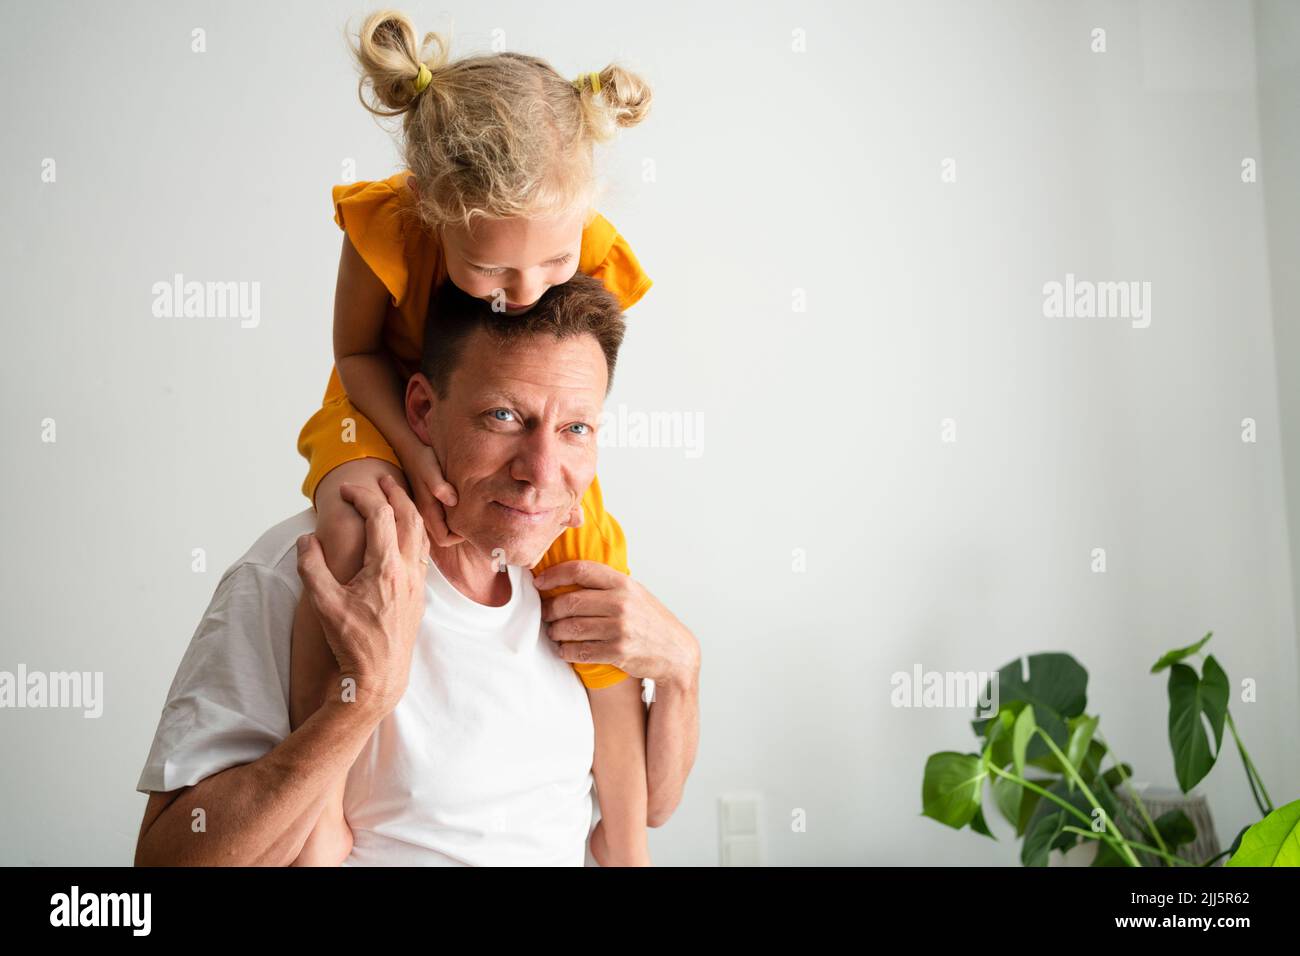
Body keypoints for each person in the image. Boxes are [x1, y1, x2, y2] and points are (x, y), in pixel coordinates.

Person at [133, 275, 700, 866]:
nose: (541, 471)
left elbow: (649, 808)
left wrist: (683, 671)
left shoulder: (576, 578)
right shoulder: (308, 572)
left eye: (574, 429)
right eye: (504, 416)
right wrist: (360, 702)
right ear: (423, 411)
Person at [291, 10, 658, 862]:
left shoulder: (590, 244)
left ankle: (630, 844)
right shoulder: (389, 223)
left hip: (495, 418)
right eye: (492, 270)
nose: (528, 293)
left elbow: (568, 390)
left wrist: (538, 461)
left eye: (551, 266)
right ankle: (322, 807)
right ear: (433, 208)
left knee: (594, 582)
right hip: (380, 401)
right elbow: (353, 354)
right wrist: (414, 458)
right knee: (355, 525)